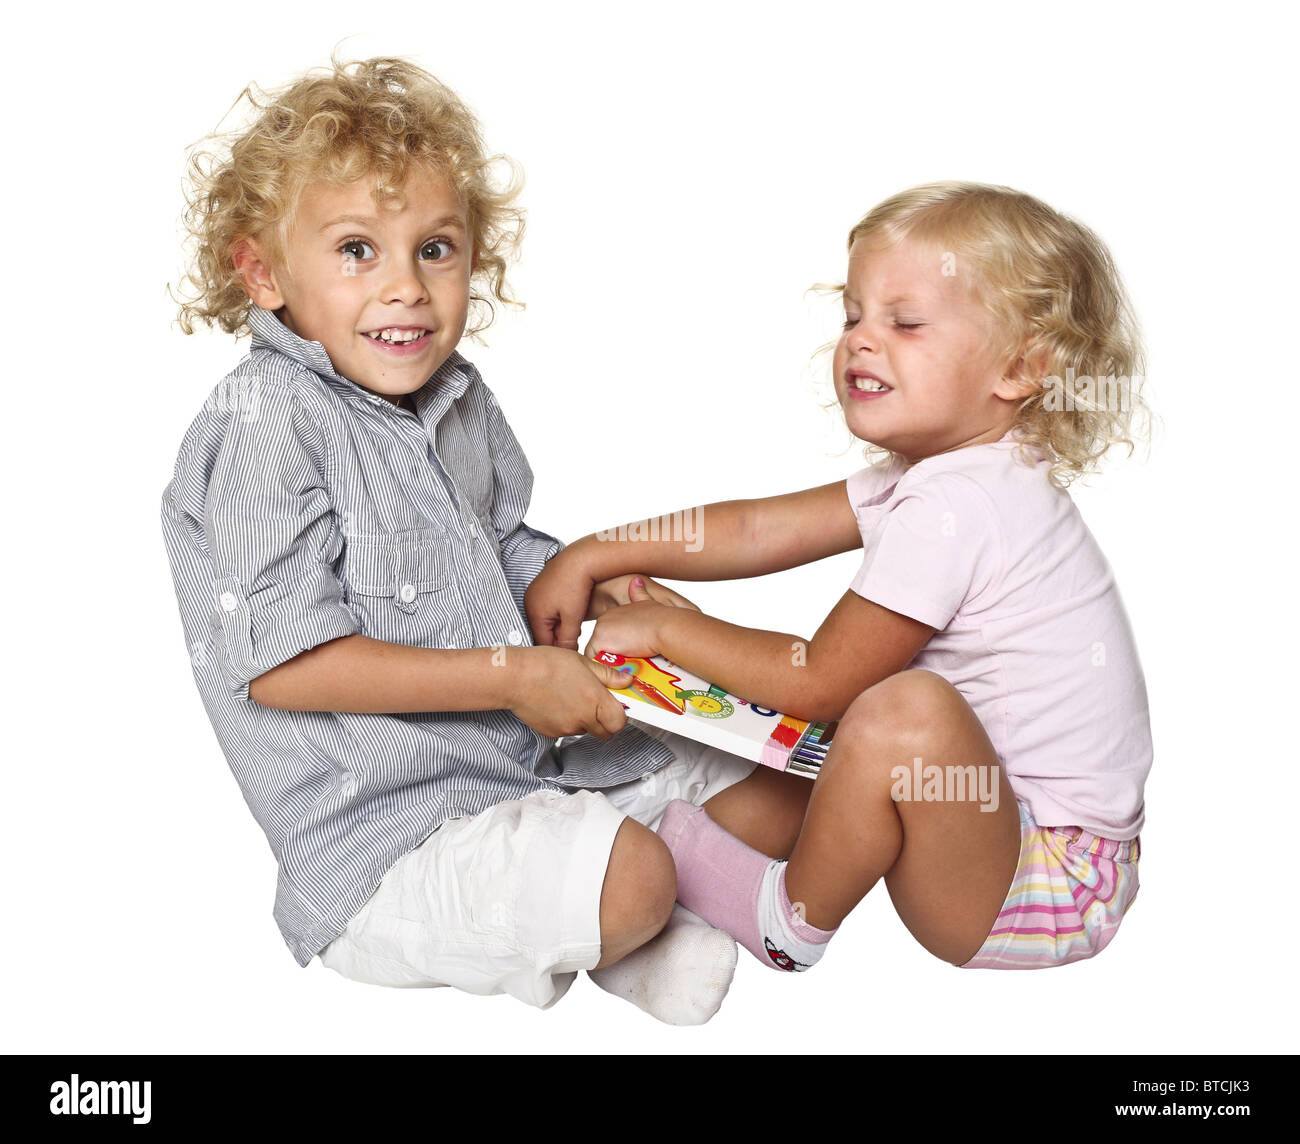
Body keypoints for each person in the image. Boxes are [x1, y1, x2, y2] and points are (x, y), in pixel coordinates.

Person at [159, 54, 753, 1024]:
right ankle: (628, 916)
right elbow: (286, 667)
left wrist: (588, 591)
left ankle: (615, 925)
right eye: (357, 251)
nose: (406, 289)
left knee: (760, 785)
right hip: (389, 839)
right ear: (262, 271)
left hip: (519, 767)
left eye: (435, 248)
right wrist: (511, 677)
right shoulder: (261, 425)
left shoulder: (453, 394)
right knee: (634, 872)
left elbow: (497, 545)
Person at [526, 181, 1152, 974]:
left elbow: (820, 679)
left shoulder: (964, 501)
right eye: (853, 315)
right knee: (817, 743)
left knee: (893, 709)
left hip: (1044, 884)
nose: (861, 341)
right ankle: (662, 902)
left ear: (1021, 368)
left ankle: (789, 920)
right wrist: (596, 551)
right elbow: (759, 527)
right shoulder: (942, 473)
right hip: (992, 824)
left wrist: (668, 628)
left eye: (907, 323)